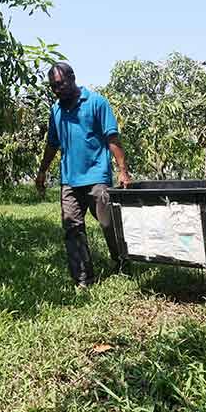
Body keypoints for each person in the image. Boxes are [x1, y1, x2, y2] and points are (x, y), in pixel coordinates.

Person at [36, 62, 133, 287]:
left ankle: (121, 262)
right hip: (70, 180)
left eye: (60, 84)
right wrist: (42, 171)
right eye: (53, 86)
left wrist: (123, 171)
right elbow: (52, 144)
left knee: (108, 223)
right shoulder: (56, 110)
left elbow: (112, 138)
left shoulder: (97, 102)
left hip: (97, 176)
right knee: (72, 227)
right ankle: (83, 278)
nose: (57, 90)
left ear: (72, 78)